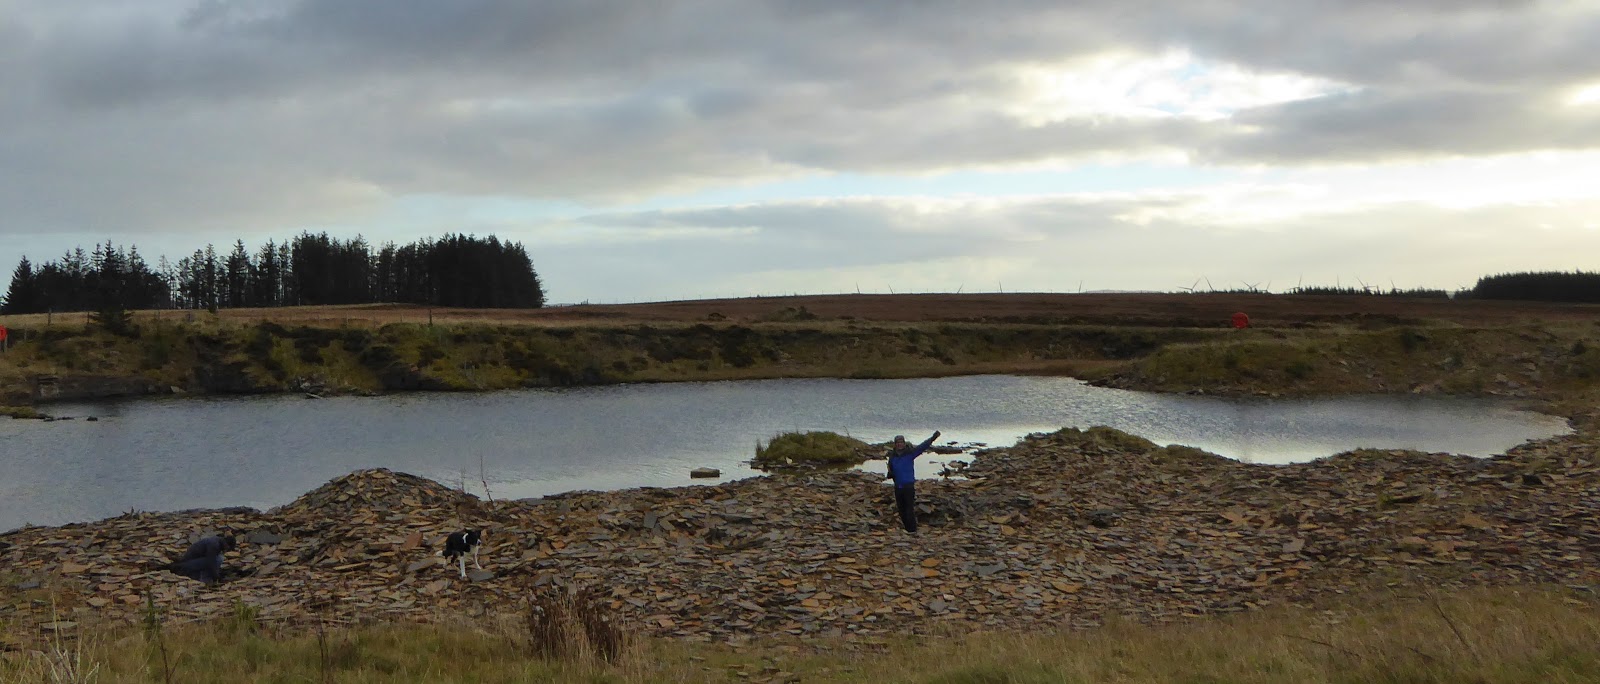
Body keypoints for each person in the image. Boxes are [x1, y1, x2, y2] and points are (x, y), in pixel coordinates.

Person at [886, 431, 940, 534]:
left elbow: (922, 447)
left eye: (901, 442)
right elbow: (891, 470)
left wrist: (932, 438)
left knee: (909, 508)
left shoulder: (910, 453)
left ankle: (912, 530)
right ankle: (907, 529)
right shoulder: (892, 457)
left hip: (908, 485)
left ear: (904, 443)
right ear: (895, 444)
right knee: (901, 509)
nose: (899, 444)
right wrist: (890, 474)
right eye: (897, 442)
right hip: (898, 486)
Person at [169, 534, 237, 585]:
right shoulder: (214, 545)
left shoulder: (218, 540)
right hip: (190, 561)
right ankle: (180, 567)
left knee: (219, 558)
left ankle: (203, 575)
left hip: (195, 559)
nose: (227, 550)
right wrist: (217, 577)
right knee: (218, 560)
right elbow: (211, 562)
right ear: (227, 545)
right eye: (229, 549)